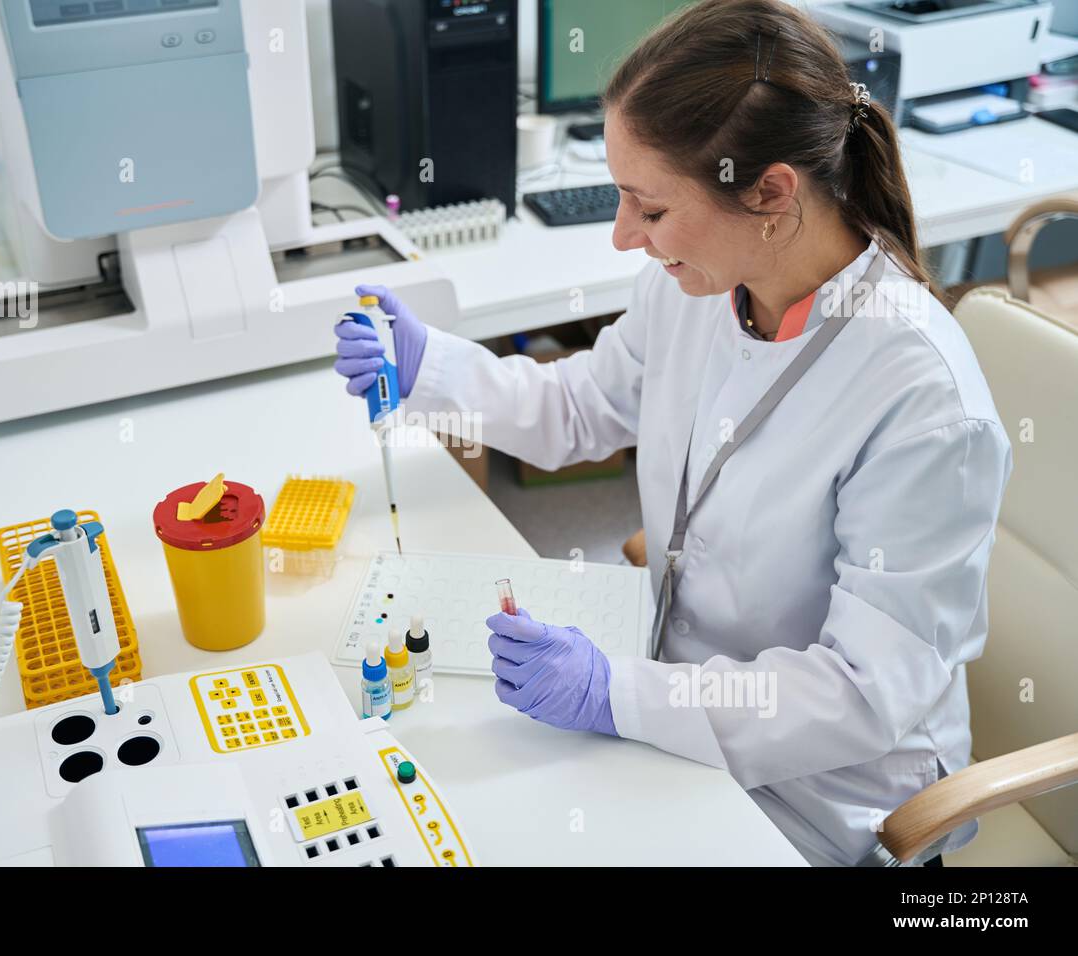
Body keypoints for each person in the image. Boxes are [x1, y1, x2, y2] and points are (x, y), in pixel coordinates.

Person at [332, 0, 1011, 866]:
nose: (623, 236)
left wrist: (612, 693)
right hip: (670, 699)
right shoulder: (699, 284)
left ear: (771, 194)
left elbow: (859, 696)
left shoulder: (922, 400)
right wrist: (430, 365)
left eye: (648, 209)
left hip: (824, 796)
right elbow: (581, 409)